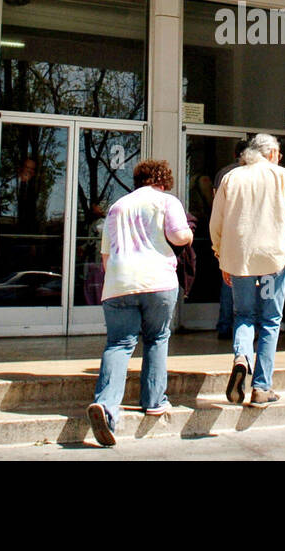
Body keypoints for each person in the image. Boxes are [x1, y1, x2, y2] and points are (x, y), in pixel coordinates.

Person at [86, 159, 193, 447]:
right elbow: (179, 235)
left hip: (119, 282)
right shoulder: (167, 201)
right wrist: (189, 235)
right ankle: (155, 401)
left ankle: (107, 406)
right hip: (157, 280)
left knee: (119, 344)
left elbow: (106, 255)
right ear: (163, 179)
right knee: (157, 338)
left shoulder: (117, 207)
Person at [209, 133, 285, 408]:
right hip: (272, 262)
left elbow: (216, 221)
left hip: (240, 260)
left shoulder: (231, 178)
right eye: (278, 152)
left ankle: (242, 356)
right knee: (269, 320)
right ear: (270, 153)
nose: (280, 157)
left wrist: (221, 254)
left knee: (243, 315)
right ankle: (261, 387)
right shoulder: (283, 177)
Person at [211, 139, 249, 339]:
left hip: (227, 233)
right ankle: (246, 325)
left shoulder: (223, 174)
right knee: (252, 281)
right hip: (248, 234)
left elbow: (216, 205)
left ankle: (225, 326)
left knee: (228, 280)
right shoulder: (252, 175)